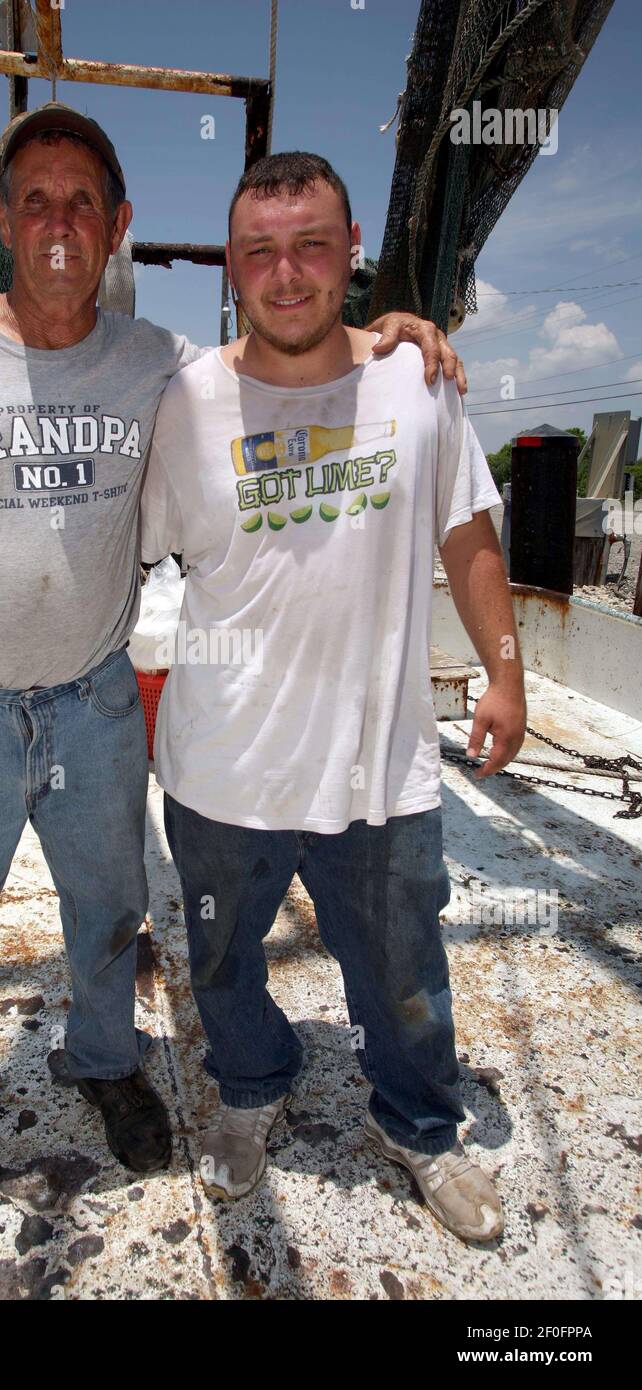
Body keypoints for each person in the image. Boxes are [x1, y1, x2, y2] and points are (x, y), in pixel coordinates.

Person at [0, 105, 466, 1238]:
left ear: (118, 228)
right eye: (36, 201)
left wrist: (386, 331)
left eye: (83, 203)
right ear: (3, 222)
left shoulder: (161, 366)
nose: (60, 222)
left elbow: (278, 356)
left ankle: (105, 1062)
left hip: (97, 701)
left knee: (108, 911)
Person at [140, 151, 527, 1243]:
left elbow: (464, 529)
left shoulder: (417, 382)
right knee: (220, 962)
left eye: (311, 244)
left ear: (349, 254)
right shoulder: (184, 400)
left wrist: (502, 668)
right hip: (220, 772)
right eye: (260, 250)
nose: (287, 272)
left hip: (380, 770)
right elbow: (125, 548)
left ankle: (419, 1127)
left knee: (405, 975)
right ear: (230, 266)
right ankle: (252, 1090)